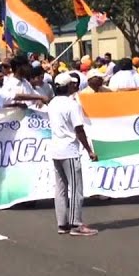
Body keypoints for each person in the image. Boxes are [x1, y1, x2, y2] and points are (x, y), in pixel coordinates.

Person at [46, 72, 98, 236]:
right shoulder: (71, 104)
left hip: (56, 149)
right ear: (68, 86)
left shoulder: (53, 103)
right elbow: (79, 129)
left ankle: (62, 223)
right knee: (76, 188)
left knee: (61, 188)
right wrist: (89, 150)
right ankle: (76, 224)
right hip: (69, 149)